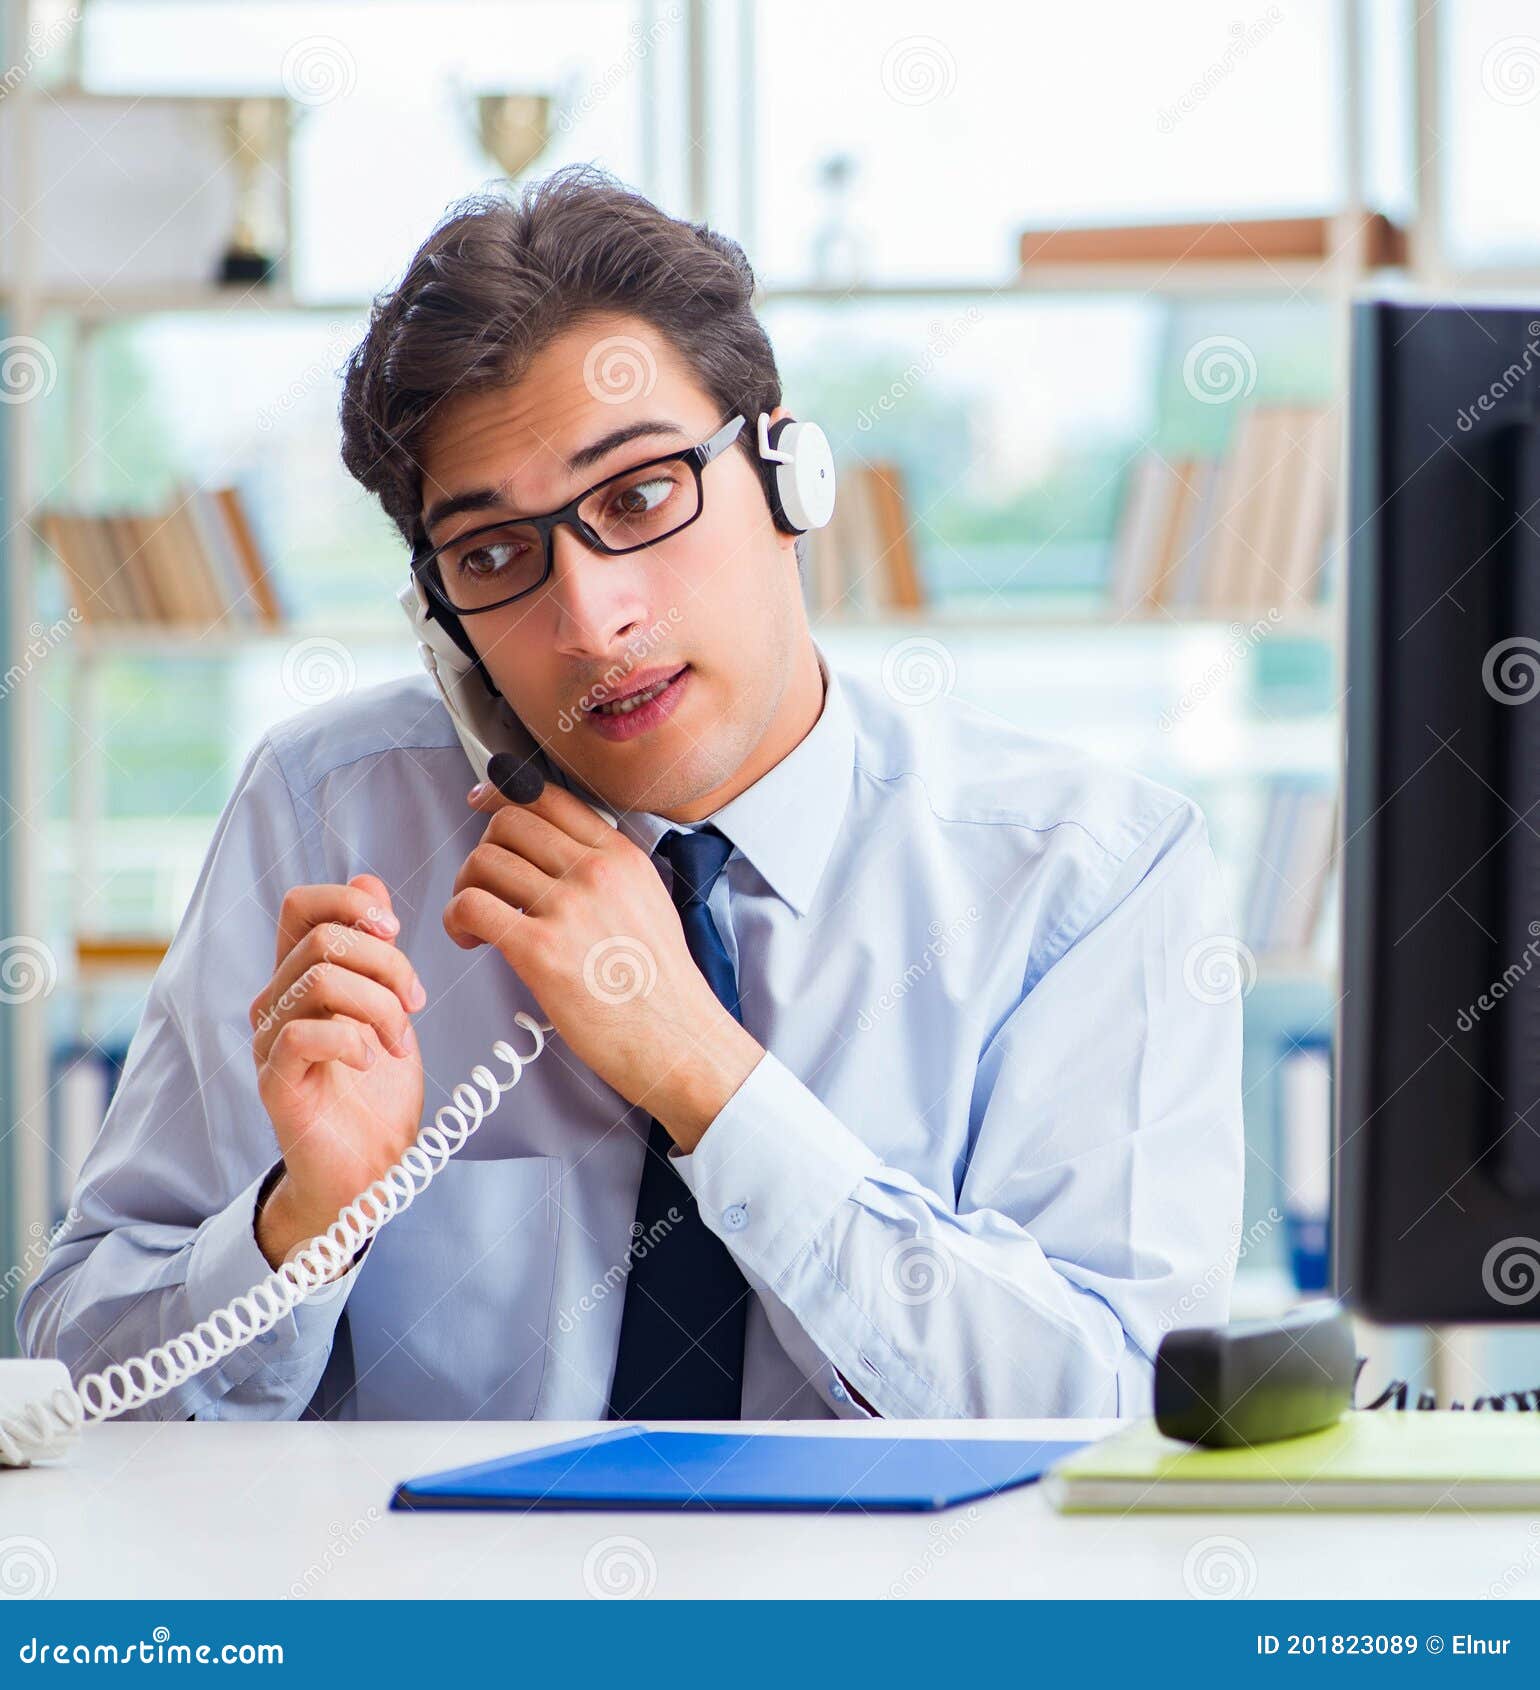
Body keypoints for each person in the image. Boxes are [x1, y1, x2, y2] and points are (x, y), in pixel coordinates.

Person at [19, 165, 1244, 1422]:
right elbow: (76, 1383)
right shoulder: (330, 818)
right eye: (493, 554)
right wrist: (306, 1221)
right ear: (444, 623)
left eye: (639, 495)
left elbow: (1120, 1408)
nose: (594, 620)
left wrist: (701, 1070)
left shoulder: (1088, 870)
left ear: (787, 475)